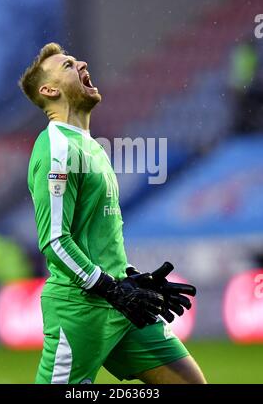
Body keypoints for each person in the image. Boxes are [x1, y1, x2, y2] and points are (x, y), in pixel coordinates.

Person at [19, 43, 206, 384]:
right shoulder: (57, 149)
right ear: (49, 90)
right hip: (80, 309)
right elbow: (55, 241)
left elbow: (94, 235)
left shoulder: (90, 146)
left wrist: (130, 277)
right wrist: (111, 288)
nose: (82, 63)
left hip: (121, 302)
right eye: (68, 65)